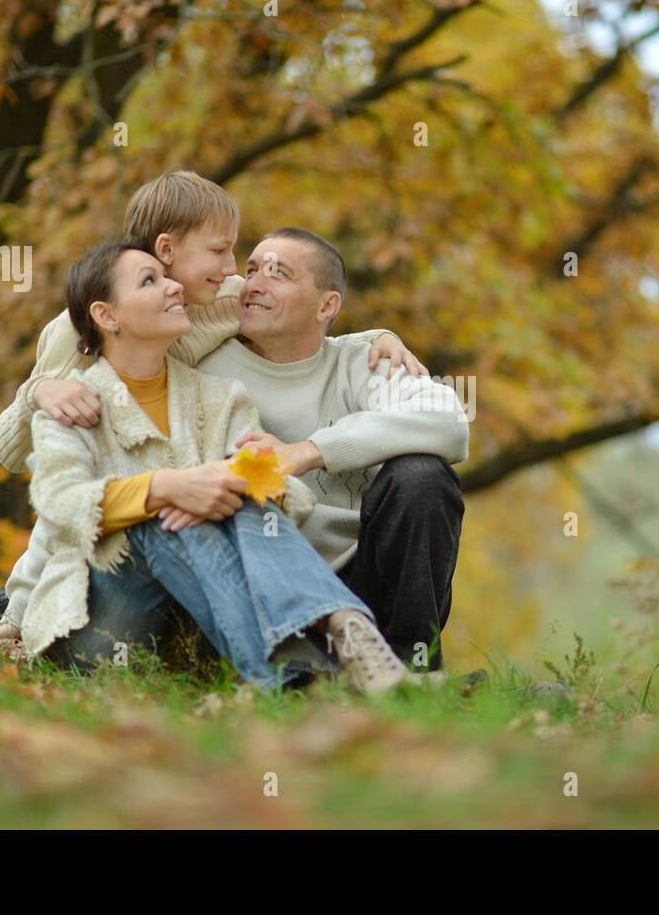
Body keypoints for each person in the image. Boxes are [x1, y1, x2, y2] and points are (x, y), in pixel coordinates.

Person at [0, 171, 425, 638]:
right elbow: (12, 453)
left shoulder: (221, 298)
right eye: (219, 250)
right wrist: (41, 391)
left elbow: (301, 315)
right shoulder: (82, 327)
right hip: (96, 509)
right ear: (168, 250)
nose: (234, 268)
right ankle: (17, 610)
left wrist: (377, 337)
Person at [199, 228, 469, 670]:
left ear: (326, 306)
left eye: (279, 273)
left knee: (421, 474)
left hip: (368, 585)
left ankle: (413, 667)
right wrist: (48, 383)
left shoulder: (360, 362)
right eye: (251, 269)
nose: (255, 283)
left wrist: (310, 450)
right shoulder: (206, 367)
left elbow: (452, 423)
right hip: (267, 586)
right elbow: (114, 317)